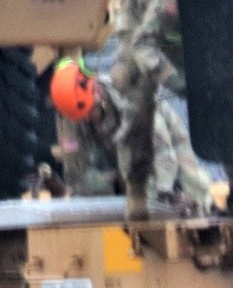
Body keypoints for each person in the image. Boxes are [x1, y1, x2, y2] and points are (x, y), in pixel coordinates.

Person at [50, 55, 214, 216]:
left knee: (187, 195)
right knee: (95, 186)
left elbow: (163, 152)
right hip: (119, 156)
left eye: (90, 113)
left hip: (164, 150)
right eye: (80, 118)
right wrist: (83, 190)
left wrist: (165, 192)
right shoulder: (71, 112)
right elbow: (75, 167)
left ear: (98, 92)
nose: (85, 120)